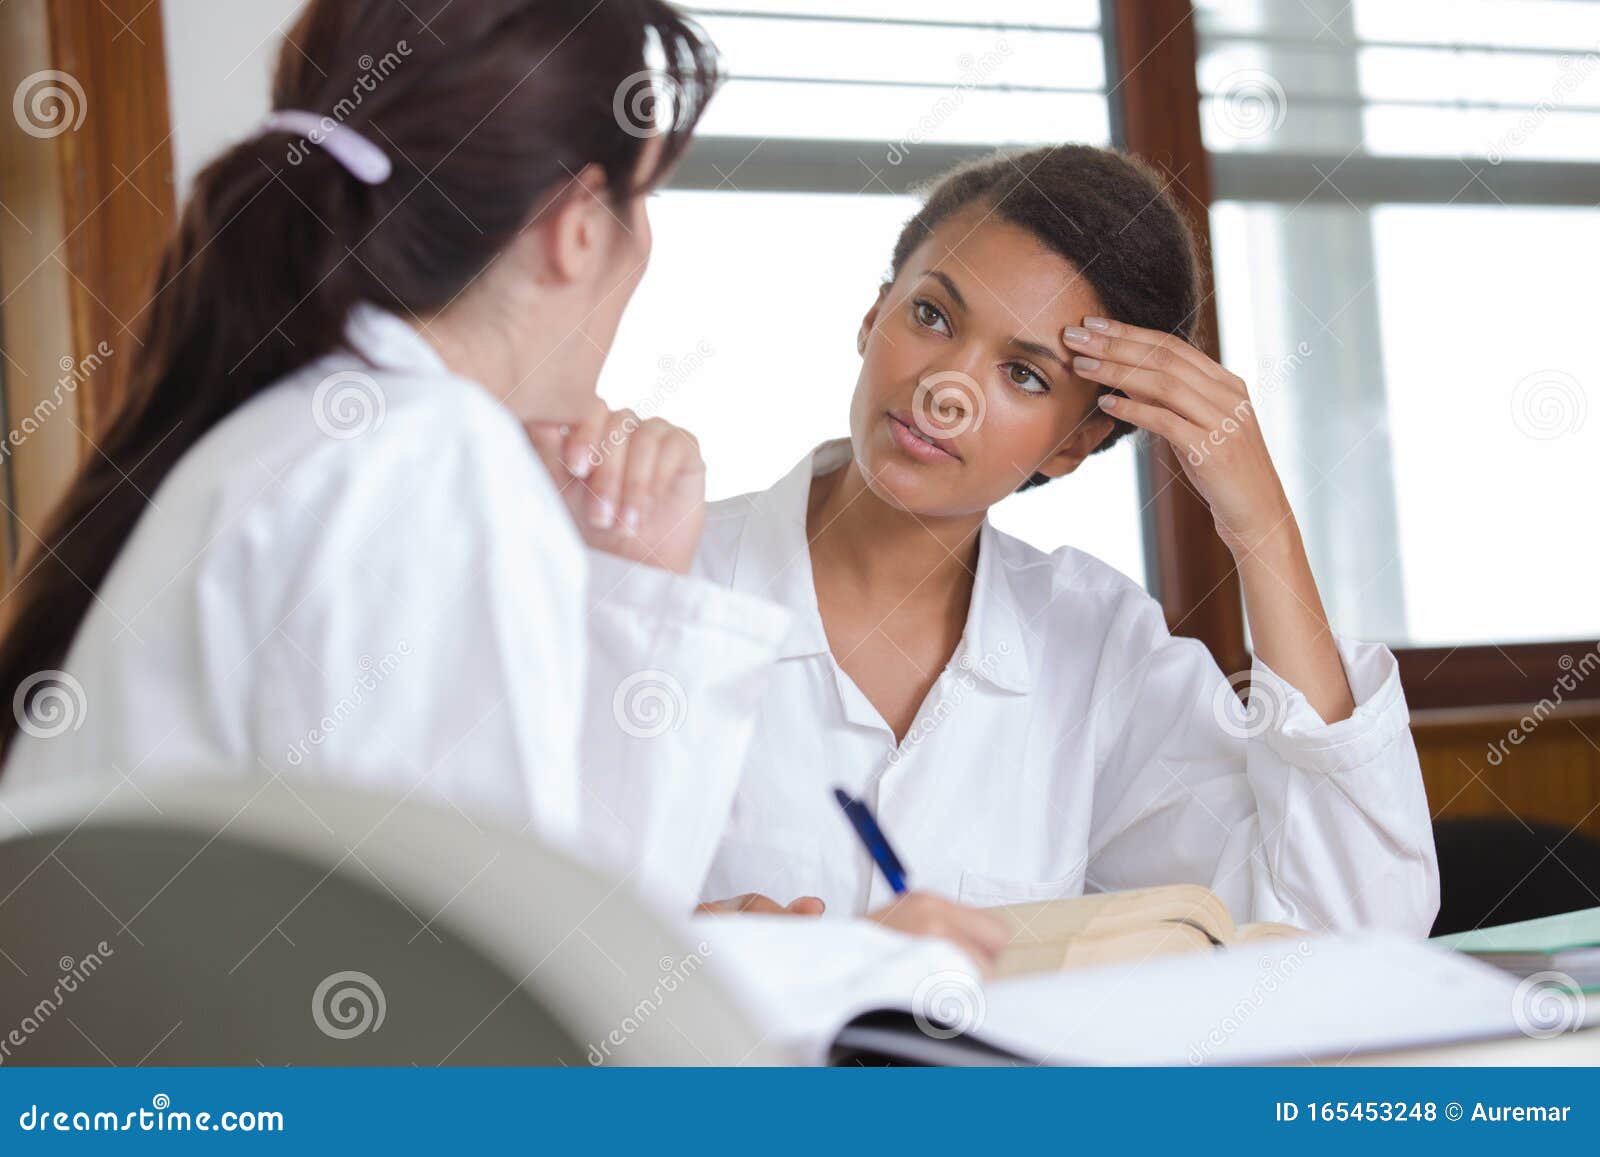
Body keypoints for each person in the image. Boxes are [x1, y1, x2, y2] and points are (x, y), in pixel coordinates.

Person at [0, 0, 1006, 967]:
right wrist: (841, 969)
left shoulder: (322, 431)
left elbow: (479, 943)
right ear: (577, 222)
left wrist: (627, 596)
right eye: (642, 200)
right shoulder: (419, 457)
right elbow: (474, 1011)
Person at [557, 144, 1439, 932]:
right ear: (874, 317)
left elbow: (1351, 923)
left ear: (1071, 443)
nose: (949, 389)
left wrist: (1263, 526)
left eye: (1023, 373)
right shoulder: (647, 569)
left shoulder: (1096, 646)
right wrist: (683, 946)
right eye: (933, 316)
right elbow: (480, 905)